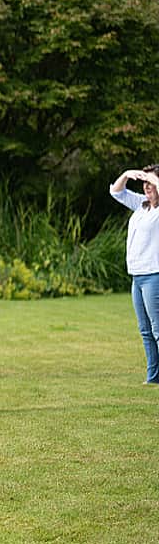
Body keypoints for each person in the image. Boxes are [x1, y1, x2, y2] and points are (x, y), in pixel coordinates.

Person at [109, 165, 159, 385]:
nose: (147, 186)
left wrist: (152, 178)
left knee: (158, 329)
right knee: (145, 331)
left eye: (151, 182)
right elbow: (116, 192)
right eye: (145, 182)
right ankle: (153, 377)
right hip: (137, 276)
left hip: (154, 275)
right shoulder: (141, 205)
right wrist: (128, 174)